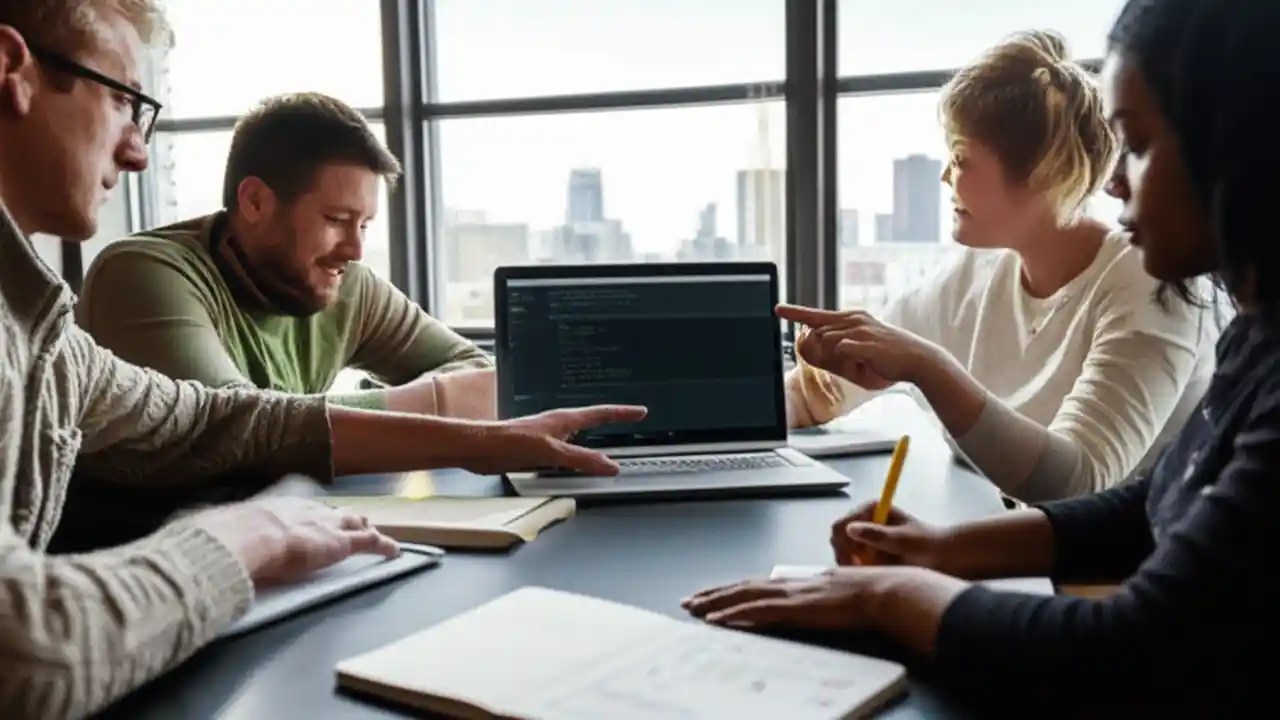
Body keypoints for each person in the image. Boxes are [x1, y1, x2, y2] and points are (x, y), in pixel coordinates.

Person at [0, 2, 643, 716]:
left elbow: (222, 419)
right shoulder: (139, 272)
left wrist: (481, 439)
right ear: (12, 72)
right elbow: (28, 653)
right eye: (122, 99)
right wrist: (252, 531)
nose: (137, 150)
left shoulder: (38, 325)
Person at [686, 0, 1278, 713]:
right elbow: (1152, 505)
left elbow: (1134, 642)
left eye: (1142, 146)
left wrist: (890, 593)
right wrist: (948, 548)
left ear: (1238, 147)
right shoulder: (1257, 337)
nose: (1117, 180)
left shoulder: (1165, 294)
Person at [784, 29, 1217, 502]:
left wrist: (927, 367)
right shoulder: (972, 277)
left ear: (1045, 171)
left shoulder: (1149, 282)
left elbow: (1077, 482)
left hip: (1110, 571)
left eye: (961, 157)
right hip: (1009, 550)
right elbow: (818, 394)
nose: (945, 174)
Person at [76, 91, 497, 420]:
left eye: (364, 224)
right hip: (159, 529)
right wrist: (427, 402)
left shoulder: (348, 286)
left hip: (290, 522)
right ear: (256, 202)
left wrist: (387, 404)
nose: (355, 249)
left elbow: (480, 374)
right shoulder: (140, 274)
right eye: (336, 219)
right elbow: (233, 426)